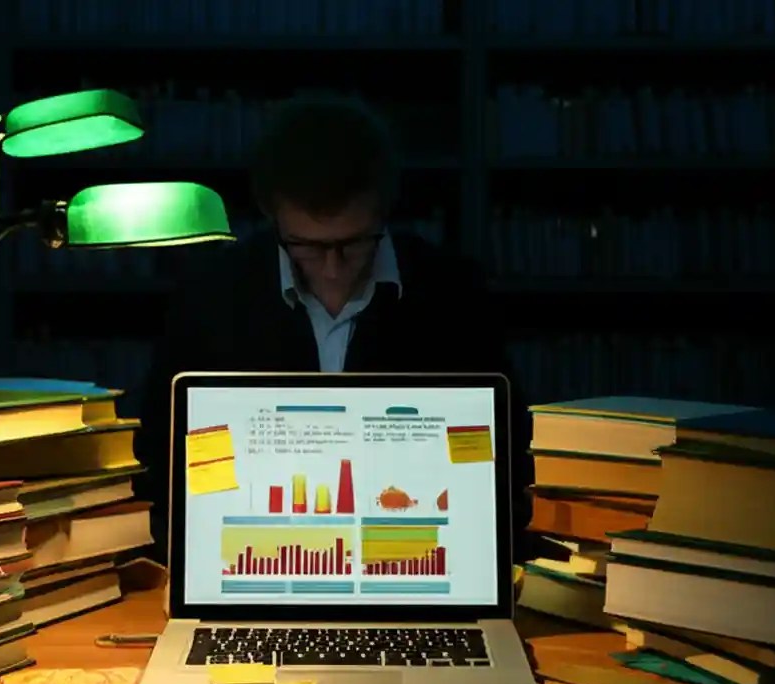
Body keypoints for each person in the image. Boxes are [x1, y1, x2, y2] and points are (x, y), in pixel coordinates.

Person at [137, 94, 534, 563]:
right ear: (272, 216)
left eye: (351, 243)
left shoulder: (453, 293)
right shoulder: (212, 297)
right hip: (259, 563)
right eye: (305, 246)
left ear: (383, 212)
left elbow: (506, 463)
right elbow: (158, 463)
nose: (330, 269)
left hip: (411, 561)